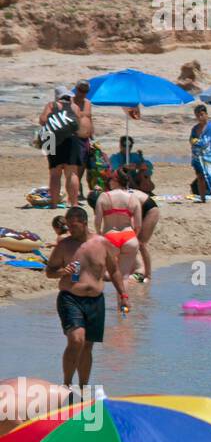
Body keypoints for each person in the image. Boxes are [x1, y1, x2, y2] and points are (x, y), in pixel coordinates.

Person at [43, 207, 129, 388]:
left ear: (84, 223)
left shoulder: (102, 243)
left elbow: (114, 270)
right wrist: (62, 271)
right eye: (68, 226)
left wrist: (123, 294)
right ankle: (66, 385)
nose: (71, 230)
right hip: (70, 297)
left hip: (96, 300)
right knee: (76, 339)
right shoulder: (64, 246)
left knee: (88, 346)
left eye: (74, 226)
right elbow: (49, 272)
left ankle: (82, 389)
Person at [94, 168, 143, 281]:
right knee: (124, 276)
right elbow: (138, 225)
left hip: (110, 237)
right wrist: (133, 237)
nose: (109, 182)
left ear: (115, 180)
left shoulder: (104, 196)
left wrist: (99, 234)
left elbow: (97, 221)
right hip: (129, 237)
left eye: (110, 179)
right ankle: (124, 298)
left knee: (106, 274)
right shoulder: (133, 198)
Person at [38, 87, 82, 207]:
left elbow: (42, 120)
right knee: (72, 173)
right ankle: (74, 203)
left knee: (55, 173)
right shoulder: (75, 107)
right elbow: (77, 124)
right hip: (71, 139)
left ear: (57, 96)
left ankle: (54, 204)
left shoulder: (52, 105)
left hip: (52, 139)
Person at [189, 104, 211, 201]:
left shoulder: (210, 127)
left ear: (206, 114)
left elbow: (206, 142)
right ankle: (202, 198)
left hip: (209, 156)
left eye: (202, 114)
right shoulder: (195, 128)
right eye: (197, 115)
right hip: (197, 156)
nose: (200, 117)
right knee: (200, 177)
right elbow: (191, 139)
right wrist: (194, 141)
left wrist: (196, 141)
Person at [71, 80, 95, 185]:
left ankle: (78, 186)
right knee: (76, 164)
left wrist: (92, 135)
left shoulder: (88, 103)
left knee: (84, 164)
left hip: (86, 139)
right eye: (81, 90)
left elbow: (90, 118)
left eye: (85, 91)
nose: (83, 93)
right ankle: (75, 188)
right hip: (75, 138)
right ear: (76, 89)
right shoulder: (70, 102)